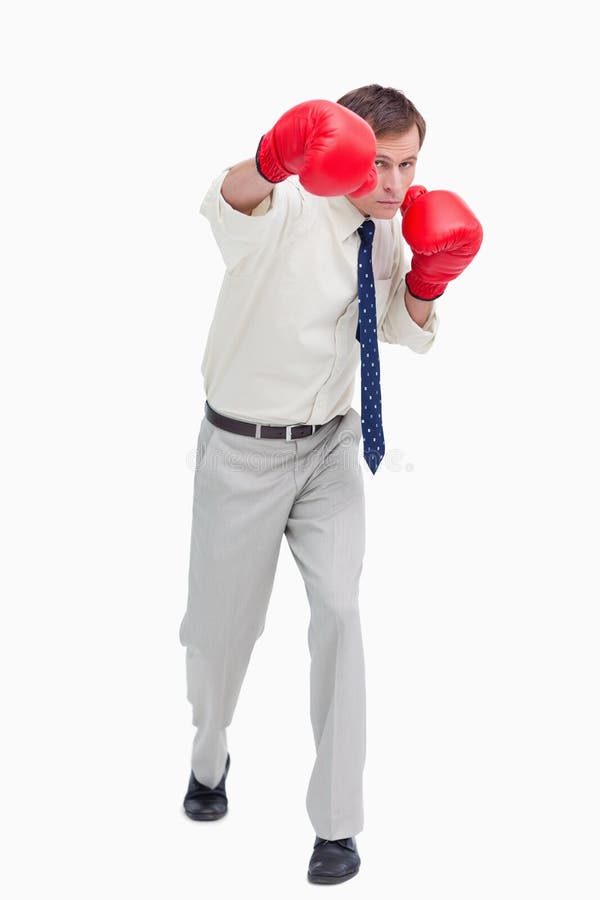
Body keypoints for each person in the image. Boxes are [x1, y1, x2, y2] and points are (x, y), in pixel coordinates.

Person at [178, 84, 483, 885]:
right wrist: (274, 155)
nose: (395, 183)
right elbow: (226, 203)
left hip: (330, 451)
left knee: (342, 614)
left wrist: (430, 280)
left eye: (408, 165)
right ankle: (208, 756)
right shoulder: (288, 206)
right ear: (341, 152)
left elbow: (396, 331)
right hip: (241, 452)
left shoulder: (390, 228)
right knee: (218, 637)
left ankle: (337, 829)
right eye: (379, 163)